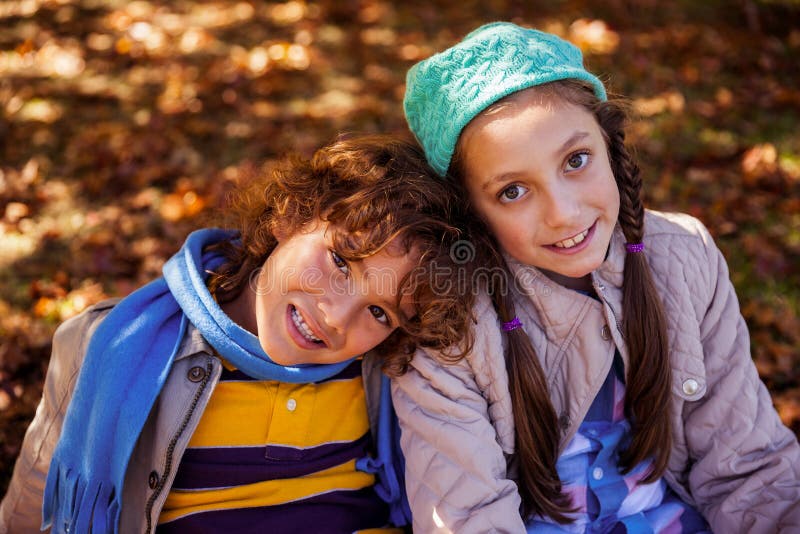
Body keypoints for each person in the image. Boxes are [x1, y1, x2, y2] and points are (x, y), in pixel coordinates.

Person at [393, 21, 800, 533]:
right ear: (470, 211)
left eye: (576, 160)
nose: (563, 214)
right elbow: (467, 516)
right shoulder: (449, 321)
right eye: (512, 191)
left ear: (610, 146)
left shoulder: (685, 258)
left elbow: (753, 471)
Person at [0, 135, 477, 534]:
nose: (335, 317)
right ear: (289, 217)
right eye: (339, 261)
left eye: (378, 311)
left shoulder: (381, 374)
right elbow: (37, 492)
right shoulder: (122, 348)